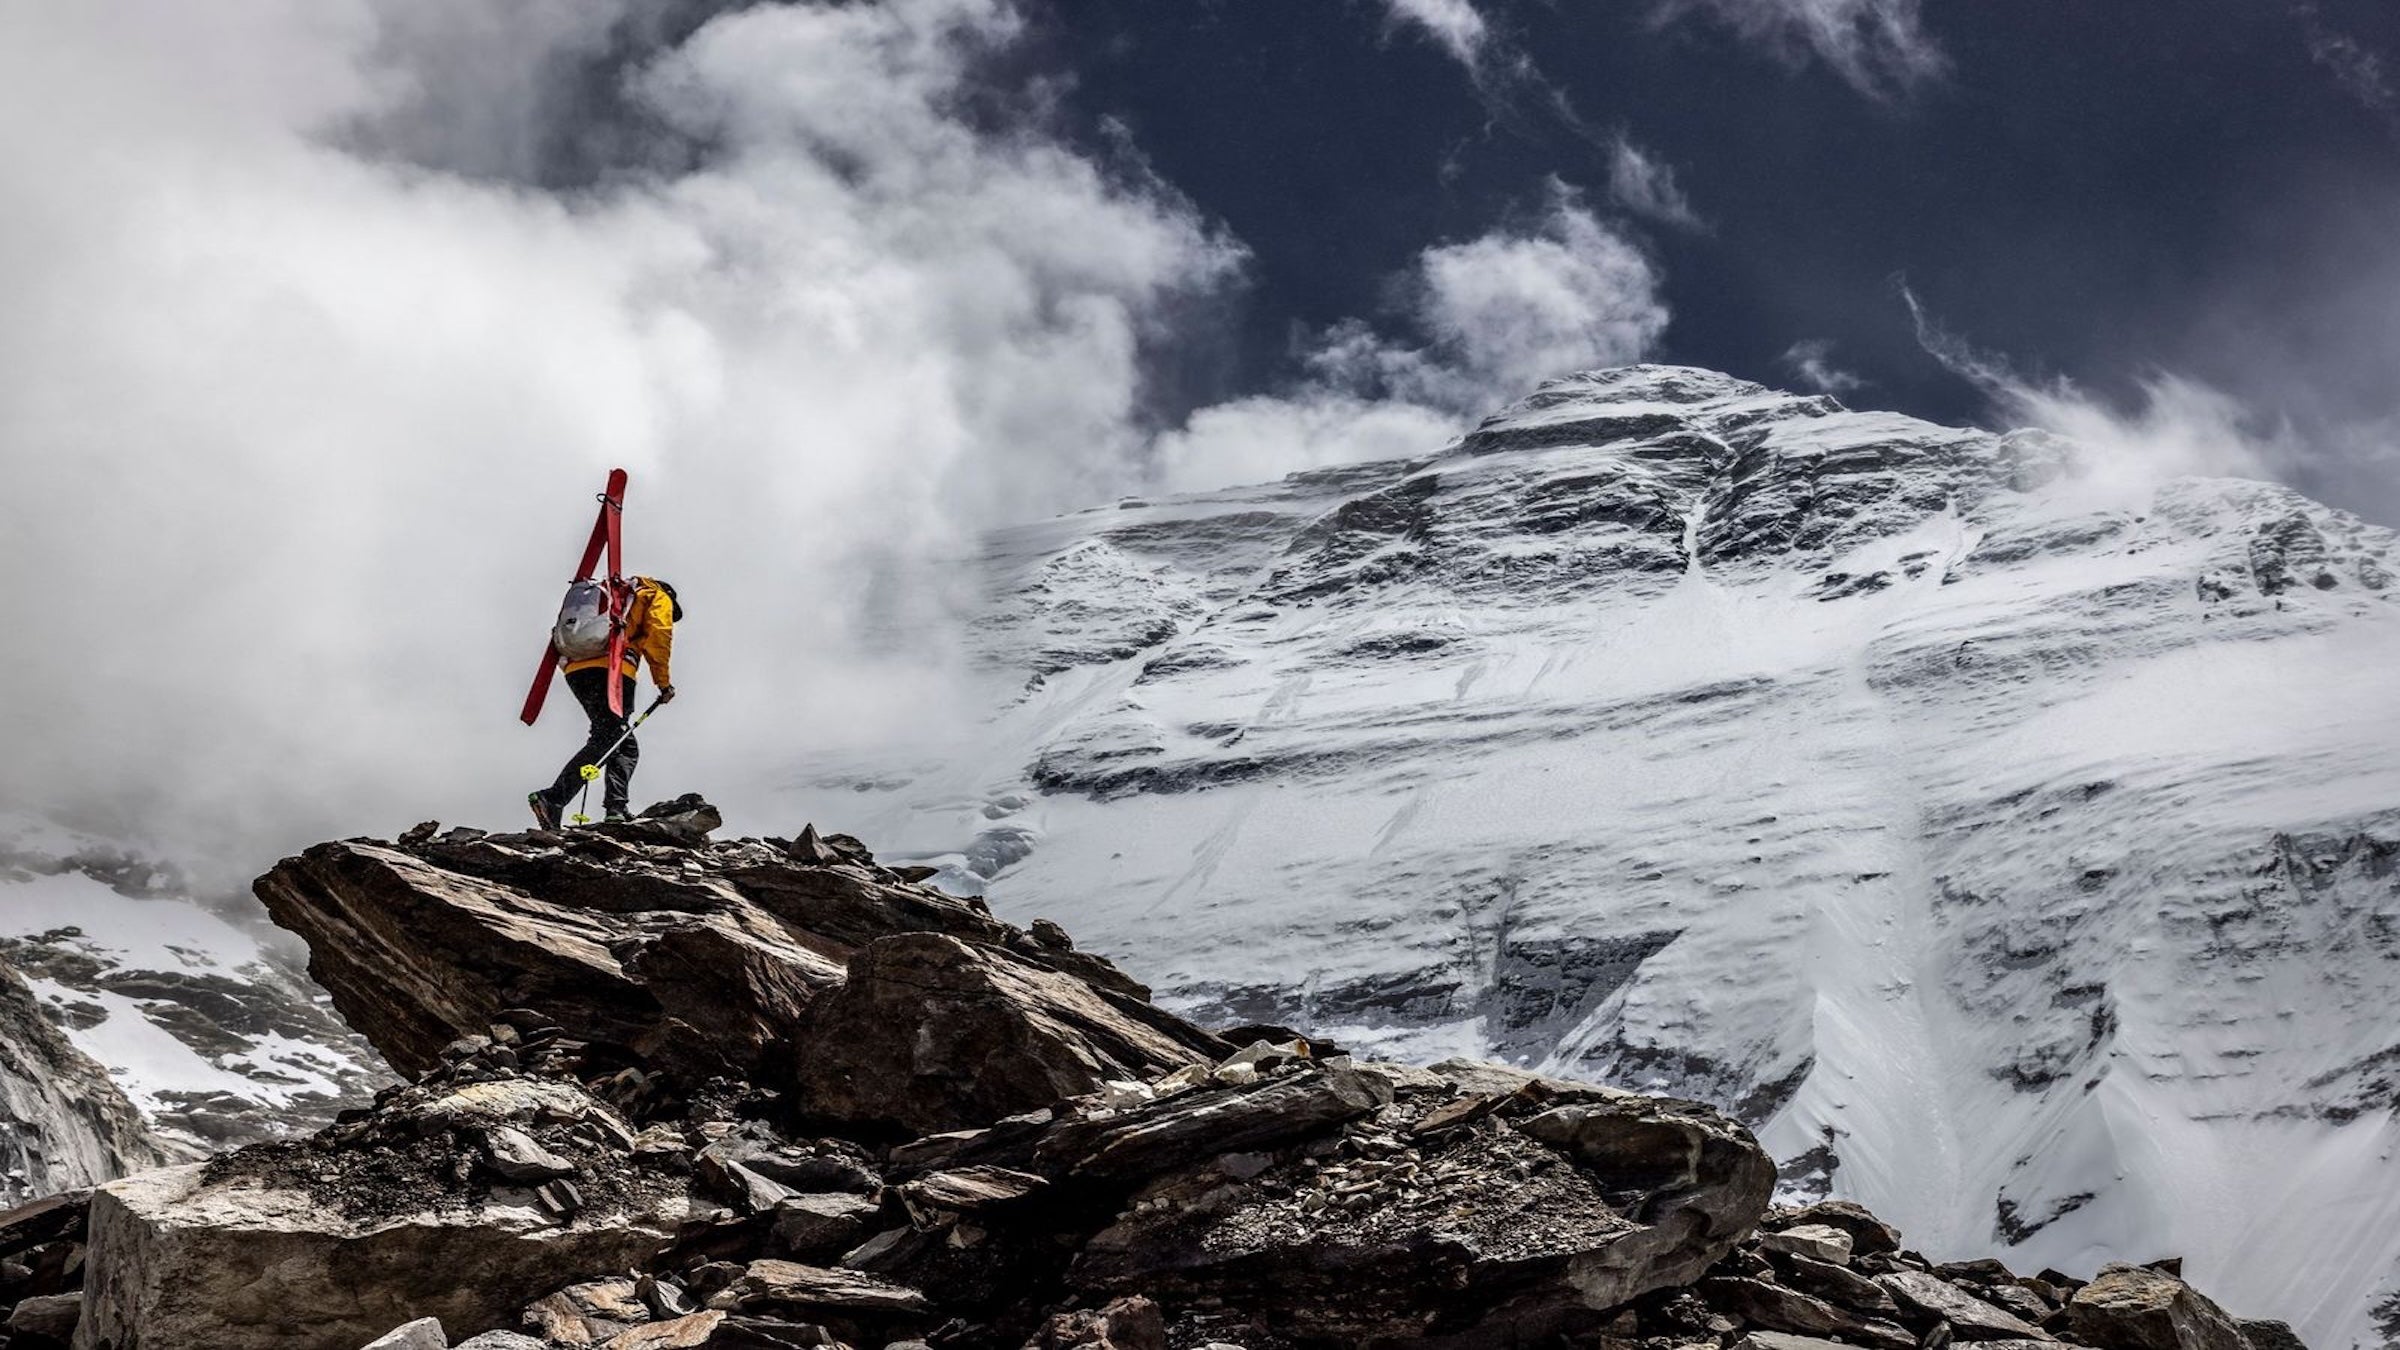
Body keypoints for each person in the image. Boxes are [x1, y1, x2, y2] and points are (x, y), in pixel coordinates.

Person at [529, 578, 680, 828]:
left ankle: (615, 809)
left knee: (618, 740)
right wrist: (663, 684)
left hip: (575, 670)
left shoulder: (610, 594)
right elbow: (659, 636)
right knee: (613, 738)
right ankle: (554, 797)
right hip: (612, 670)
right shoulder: (656, 595)